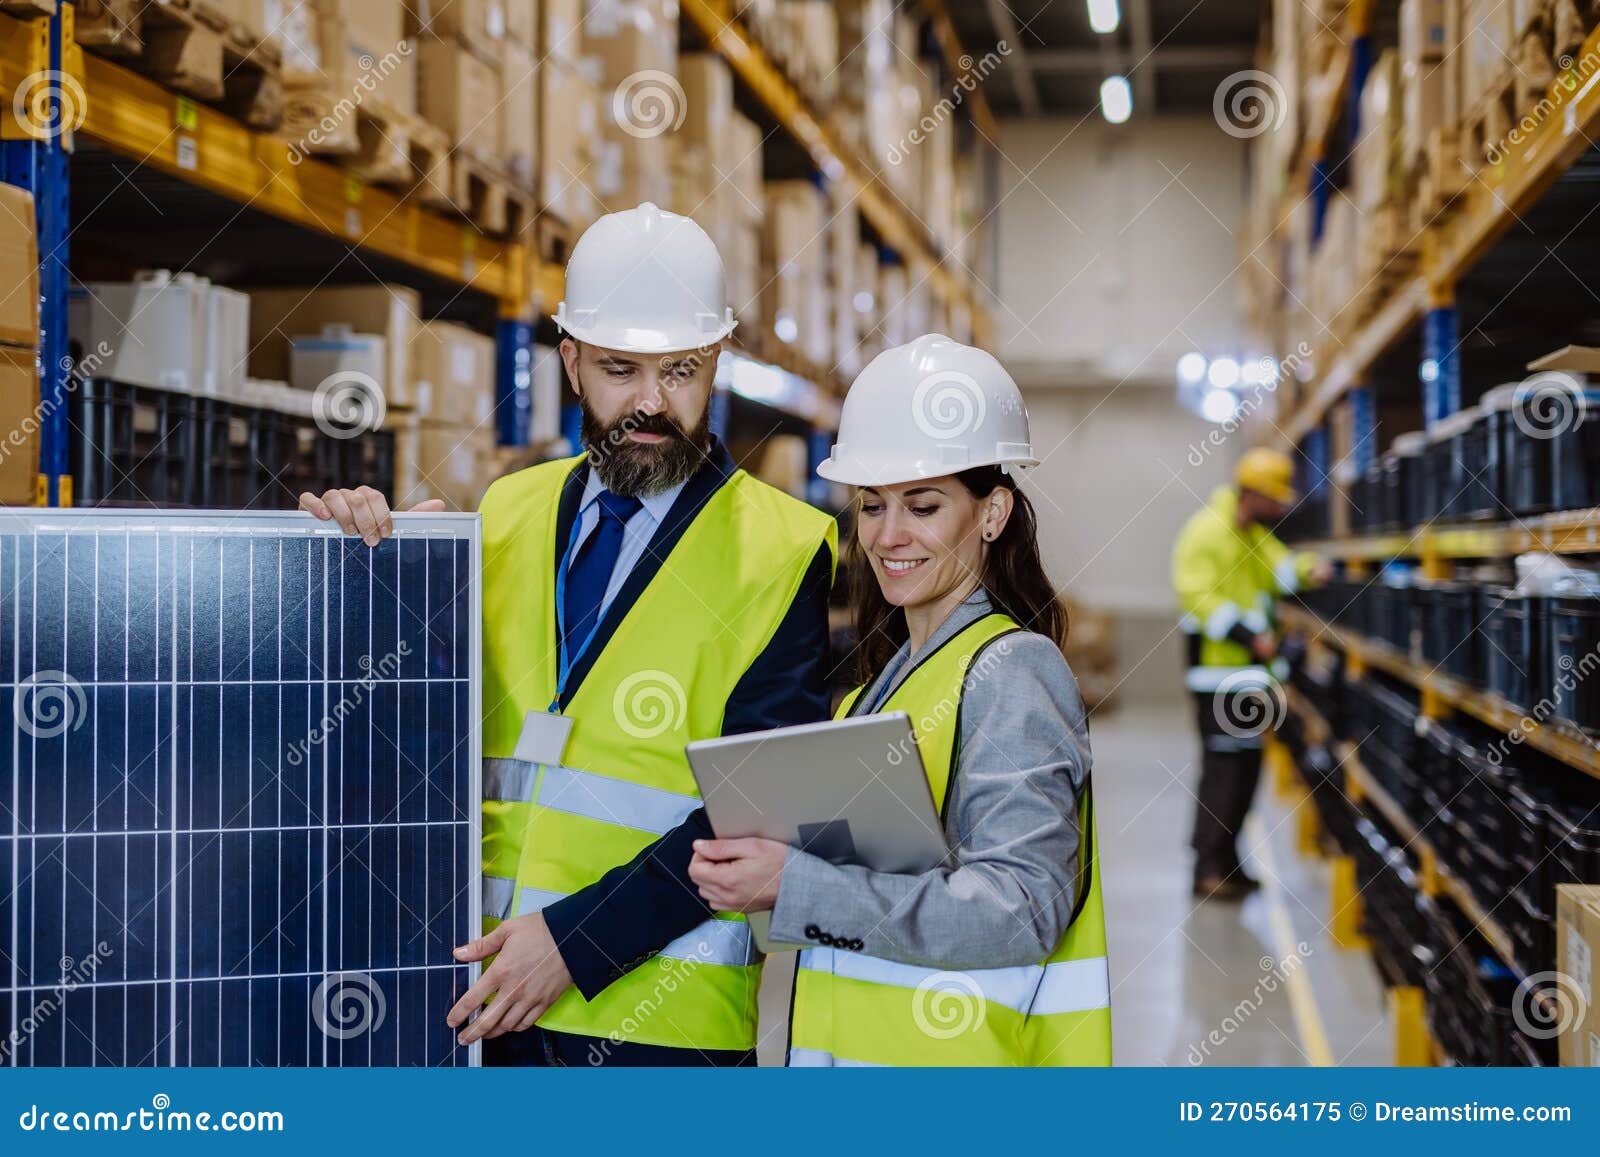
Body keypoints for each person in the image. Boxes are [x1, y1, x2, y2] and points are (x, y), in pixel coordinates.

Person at [301, 202, 837, 1066]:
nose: (652, 403)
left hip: (657, 1030)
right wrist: (363, 575)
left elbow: (754, 811)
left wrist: (571, 943)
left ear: (717, 366)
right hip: (472, 990)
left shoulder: (785, 548)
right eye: (622, 370)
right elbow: (420, 719)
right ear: (572, 363)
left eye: (683, 371)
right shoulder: (508, 509)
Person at [686, 334, 1112, 1067]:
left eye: (922, 506)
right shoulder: (879, 690)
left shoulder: (1012, 672)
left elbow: (1022, 909)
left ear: (992, 512)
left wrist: (799, 885)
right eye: (872, 505)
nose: (888, 536)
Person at [1171, 447, 1329, 901]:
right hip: (1216, 678)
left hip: (1248, 677)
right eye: (1274, 498)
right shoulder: (1208, 532)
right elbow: (1194, 595)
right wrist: (1246, 634)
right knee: (1222, 772)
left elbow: (1277, 570)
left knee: (1246, 769)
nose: (1281, 507)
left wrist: (1308, 569)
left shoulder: (1251, 536)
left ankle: (1230, 862)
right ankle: (1206, 867)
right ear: (1252, 492)